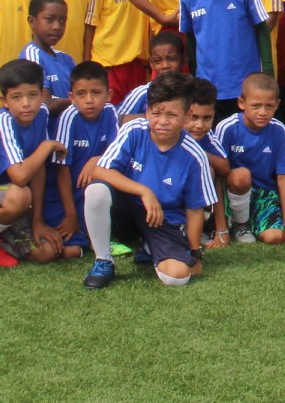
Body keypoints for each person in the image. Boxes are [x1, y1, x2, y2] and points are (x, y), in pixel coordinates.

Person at [79, 75, 217, 289]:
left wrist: (193, 252)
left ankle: (150, 248)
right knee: (96, 190)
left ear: (187, 115)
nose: (162, 121)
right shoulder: (134, 131)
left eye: (171, 114)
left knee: (177, 277)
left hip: (164, 220)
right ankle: (103, 260)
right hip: (129, 211)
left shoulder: (194, 155)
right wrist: (144, 191)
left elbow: (195, 209)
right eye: (156, 113)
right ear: (147, 111)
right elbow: (101, 170)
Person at [0, 59, 66, 268]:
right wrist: (48, 145)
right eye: (17, 97)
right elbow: (20, 176)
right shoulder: (3, 123)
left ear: (42, 95)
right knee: (20, 194)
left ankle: (1, 239)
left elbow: (37, 168)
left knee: (47, 252)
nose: (26, 103)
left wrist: (38, 222)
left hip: (11, 202)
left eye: (32, 95)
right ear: (4, 101)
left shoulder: (41, 114)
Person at [173, 0, 271, 119]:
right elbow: (190, 38)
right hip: (209, 86)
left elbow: (261, 29)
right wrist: (194, 78)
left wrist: (268, 74)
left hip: (244, 85)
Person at [212, 73, 285, 244]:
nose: (262, 112)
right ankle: (237, 224)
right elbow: (218, 176)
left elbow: (283, 177)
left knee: (274, 237)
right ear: (241, 103)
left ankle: (253, 222)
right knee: (241, 175)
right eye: (256, 106)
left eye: (269, 106)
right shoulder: (227, 128)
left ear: (278, 105)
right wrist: (221, 229)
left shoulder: (278, 129)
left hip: (264, 193)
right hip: (234, 190)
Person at [49, 61, 119, 259]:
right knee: (71, 251)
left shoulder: (110, 113)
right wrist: (70, 215)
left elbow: (118, 152)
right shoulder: (69, 118)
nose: (89, 100)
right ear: (71, 97)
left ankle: (107, 234)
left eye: (96, 93)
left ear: (109, 95)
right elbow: (61, 169)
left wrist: (96, 159)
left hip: (95, 188)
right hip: (68, 194)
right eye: (81, 94)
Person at [20, 0, 76, 106]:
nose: (57, 27)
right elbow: (45, 103)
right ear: (32, 21)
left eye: (62, 20)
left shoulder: (66, 59)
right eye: (49, 20)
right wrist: (81, 102)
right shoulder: (31, 56)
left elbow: (81, 92)